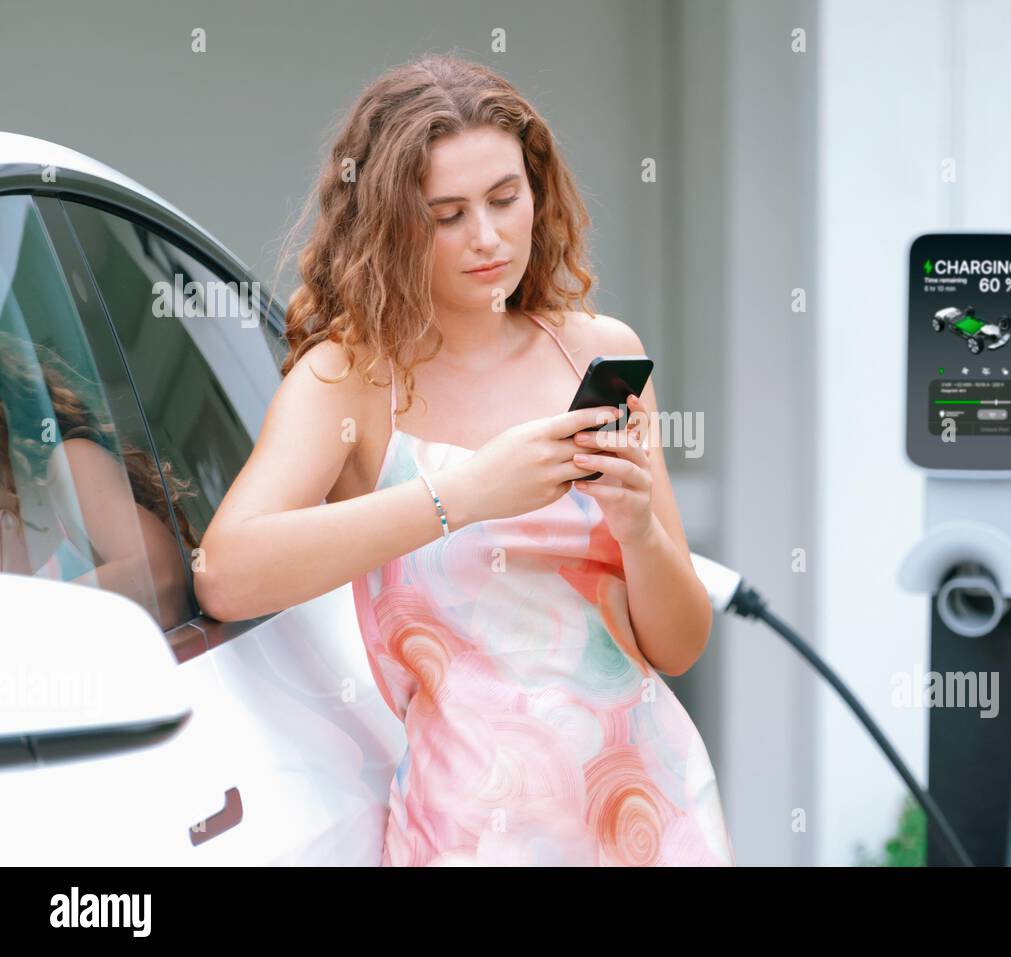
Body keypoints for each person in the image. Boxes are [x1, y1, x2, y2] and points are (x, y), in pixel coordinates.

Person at [196, 53, 735, 866]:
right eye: (445, 214)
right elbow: (226, 573)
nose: (485, 237)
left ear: (537, 191)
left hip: (649, 810)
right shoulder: (350, 380)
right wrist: (467, 492)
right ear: (387, 221)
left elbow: (680, 646)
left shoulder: (598, 350)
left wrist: (640, 532)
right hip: (470, 831)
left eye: (504, 198)